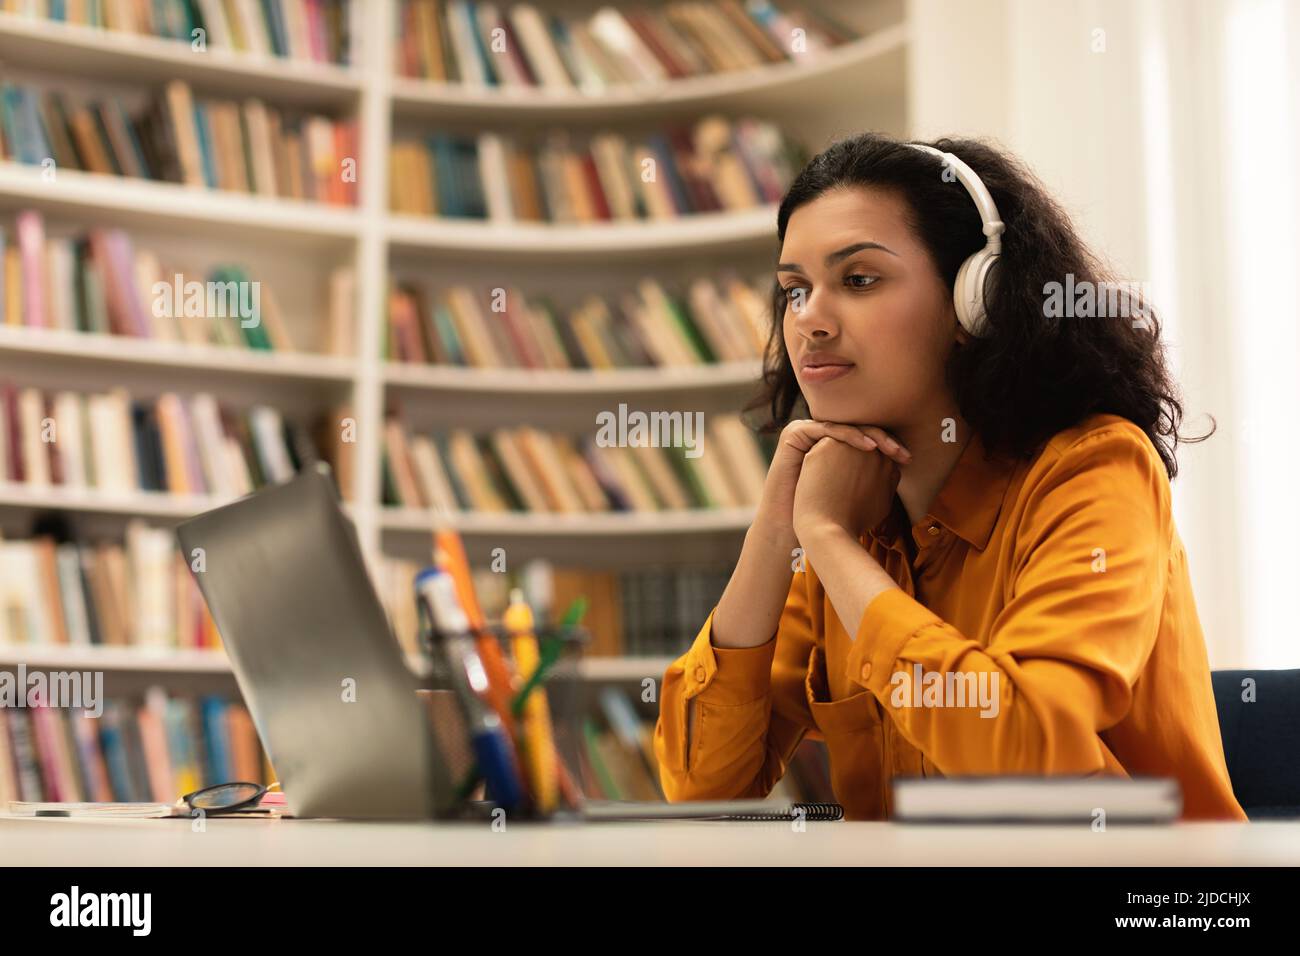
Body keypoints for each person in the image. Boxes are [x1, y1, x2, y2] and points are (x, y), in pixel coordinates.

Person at [653, 132, 1245, 821]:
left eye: (859, 280)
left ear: (976, 303)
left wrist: (825, 538)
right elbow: (702, 786)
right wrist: (777, 525)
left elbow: (1029, 750)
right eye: (794, 290)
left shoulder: (1096, 469)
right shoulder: (848, 512)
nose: (809, 319)